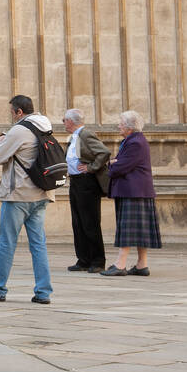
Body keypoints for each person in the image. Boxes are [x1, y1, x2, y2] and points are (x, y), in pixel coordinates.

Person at [0, 95, 54, 304]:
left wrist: (1, 141)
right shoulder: (45, 126)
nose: (12, 116)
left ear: (19, 112)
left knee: (6, 243)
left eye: (12, 112)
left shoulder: (19, 130)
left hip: (19, 194)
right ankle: (43, 292)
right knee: (38, 245)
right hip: (42, 193)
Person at [103, 110, 161, 276]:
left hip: (133, 192)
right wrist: (116, 162)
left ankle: (120, 265)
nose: (118, 126)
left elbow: (121, 166)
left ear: (129, 127)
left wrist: (111, 164)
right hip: (136, 191)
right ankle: (142, 265)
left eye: (121, 123)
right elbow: (122, 162)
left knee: (127, 229)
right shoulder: (134, 140)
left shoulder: (135, 142)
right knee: (139, 230)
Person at [62, 108, 111, 273]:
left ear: (71, 121)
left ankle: (97, 261)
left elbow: (104, 152)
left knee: (90, 222)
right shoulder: (73, 137)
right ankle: (83, 260)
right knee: (78, 222)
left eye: (64, 120)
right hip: (76, 182)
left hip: (87, 183)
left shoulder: (85, 134)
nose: (63, 123)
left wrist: (91, 167)